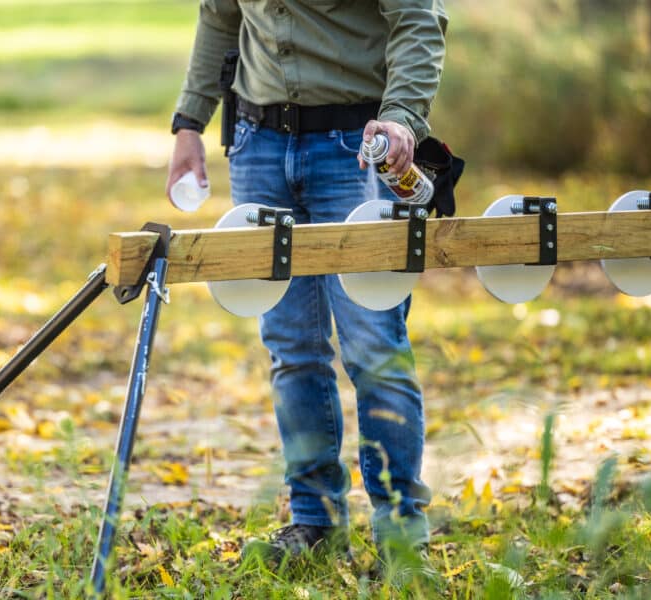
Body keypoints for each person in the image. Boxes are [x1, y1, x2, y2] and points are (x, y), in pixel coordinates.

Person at [166, 0, 448, 567]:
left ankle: (400, 537)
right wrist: (189, 123)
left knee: (374, 345)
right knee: (292, 347)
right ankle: (314, 524)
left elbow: (418, 18)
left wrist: (403, 118)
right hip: (257, 146)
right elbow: (220, 15)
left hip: (357, 149)